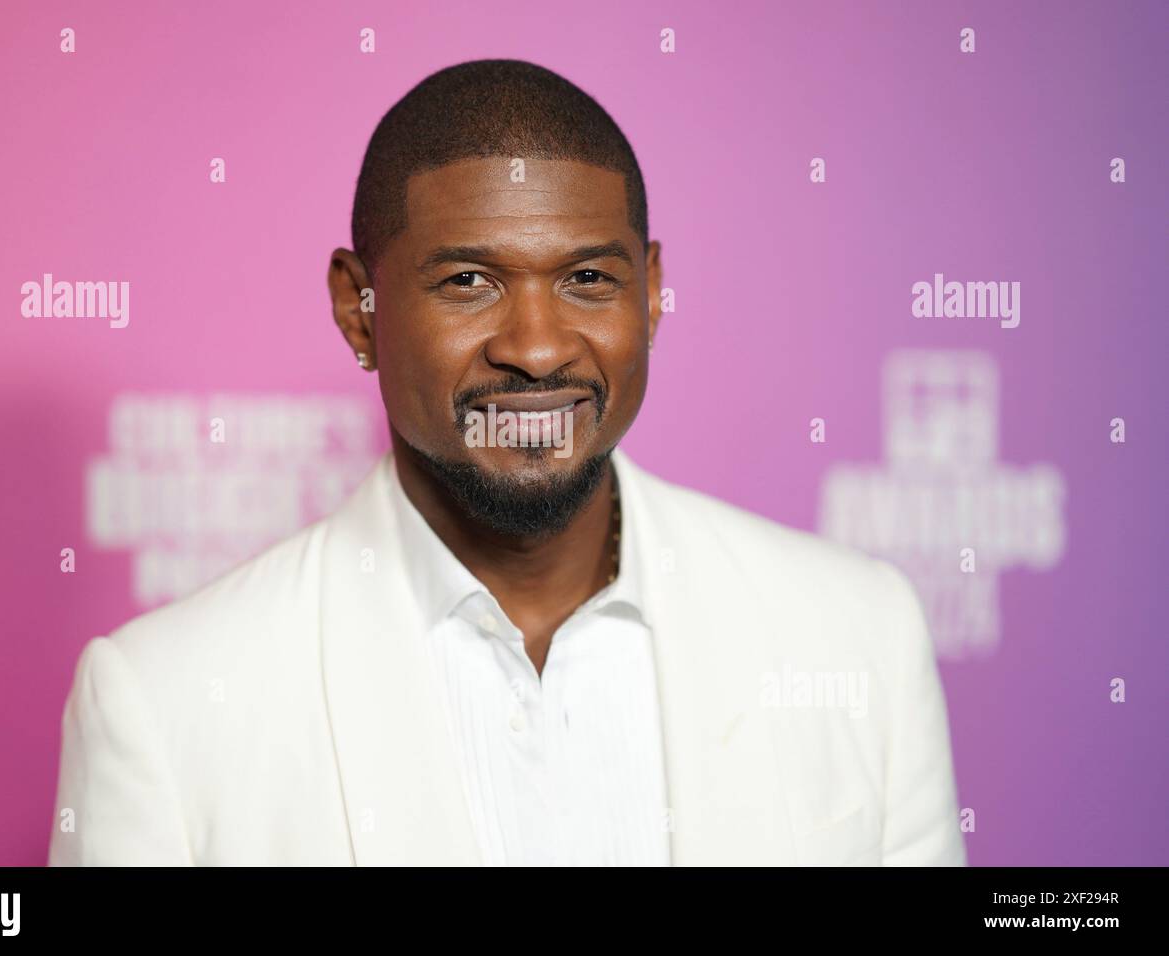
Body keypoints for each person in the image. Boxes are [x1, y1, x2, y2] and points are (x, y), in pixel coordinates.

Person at [49, 59, 965, 866]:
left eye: (588, 280)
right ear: (359, 309)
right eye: (468, 282)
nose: (535, 347)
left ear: (650, 295)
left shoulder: (856, 637)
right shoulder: (166, 705)